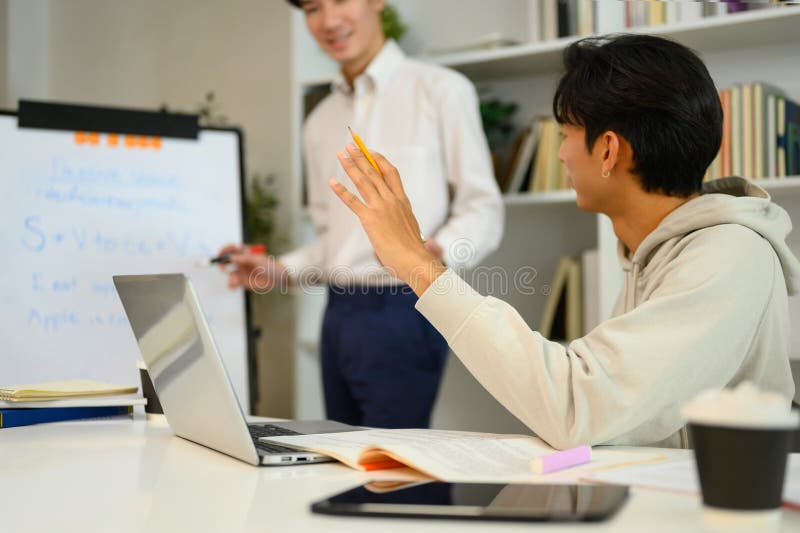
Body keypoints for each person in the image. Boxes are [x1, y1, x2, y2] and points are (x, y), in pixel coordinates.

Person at [329, 33, 799, 449]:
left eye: (567, 132)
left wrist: (416, 262)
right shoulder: (658, 253)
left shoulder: (728, 255)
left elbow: (577, 405)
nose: (559, 153)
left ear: (609, 150)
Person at [219, 0, 503, 428]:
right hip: (339, 311)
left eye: (339, 1)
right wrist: (276, 269)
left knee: (397, 471)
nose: (329, 21)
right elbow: (334, 240)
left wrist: (432, 252)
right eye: (313, 8)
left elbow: (482, 208)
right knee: (346, 466)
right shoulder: (319, 122)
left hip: (407, 304)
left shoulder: (441, 91)